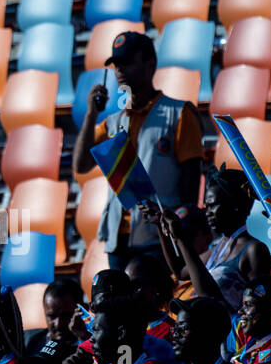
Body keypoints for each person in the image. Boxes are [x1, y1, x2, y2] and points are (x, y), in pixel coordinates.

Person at [72, 30, 204, 268]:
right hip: (119, 239)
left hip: (159, 238)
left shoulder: (179, 114)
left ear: (150, 64)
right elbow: (81, 165)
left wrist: (179, 231)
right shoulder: (112, 122)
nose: (120, 70)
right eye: (116, 64)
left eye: (127, 62)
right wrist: (91, 115)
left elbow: (191, 181)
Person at [200, 169, 271, 310]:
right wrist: (162, 226)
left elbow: (261, 304)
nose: (207, 212)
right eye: (206, 206)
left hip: (236, 330)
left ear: (234, 205)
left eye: (213, 205)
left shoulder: (253, 250)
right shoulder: (218, 248)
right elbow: (181, 271)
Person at [125, 252, 177, 340]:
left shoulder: (171, 332)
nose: (129, 291)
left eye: (136, 285)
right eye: (126, 285)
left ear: (154, 287)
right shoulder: (125, 328)